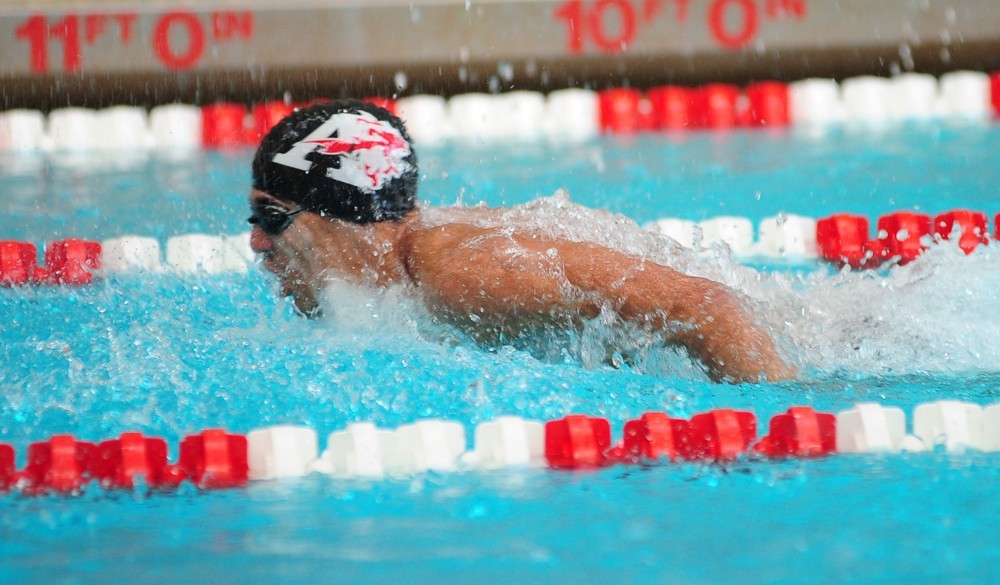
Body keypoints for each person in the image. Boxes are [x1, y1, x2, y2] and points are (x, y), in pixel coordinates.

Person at [247, 99, 796, 383]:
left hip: (795, 345)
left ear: (340, 216)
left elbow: (708, 309)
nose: (256, 244)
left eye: (271, 218)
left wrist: (785, 416)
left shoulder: (461, 273)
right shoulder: (409, 258)